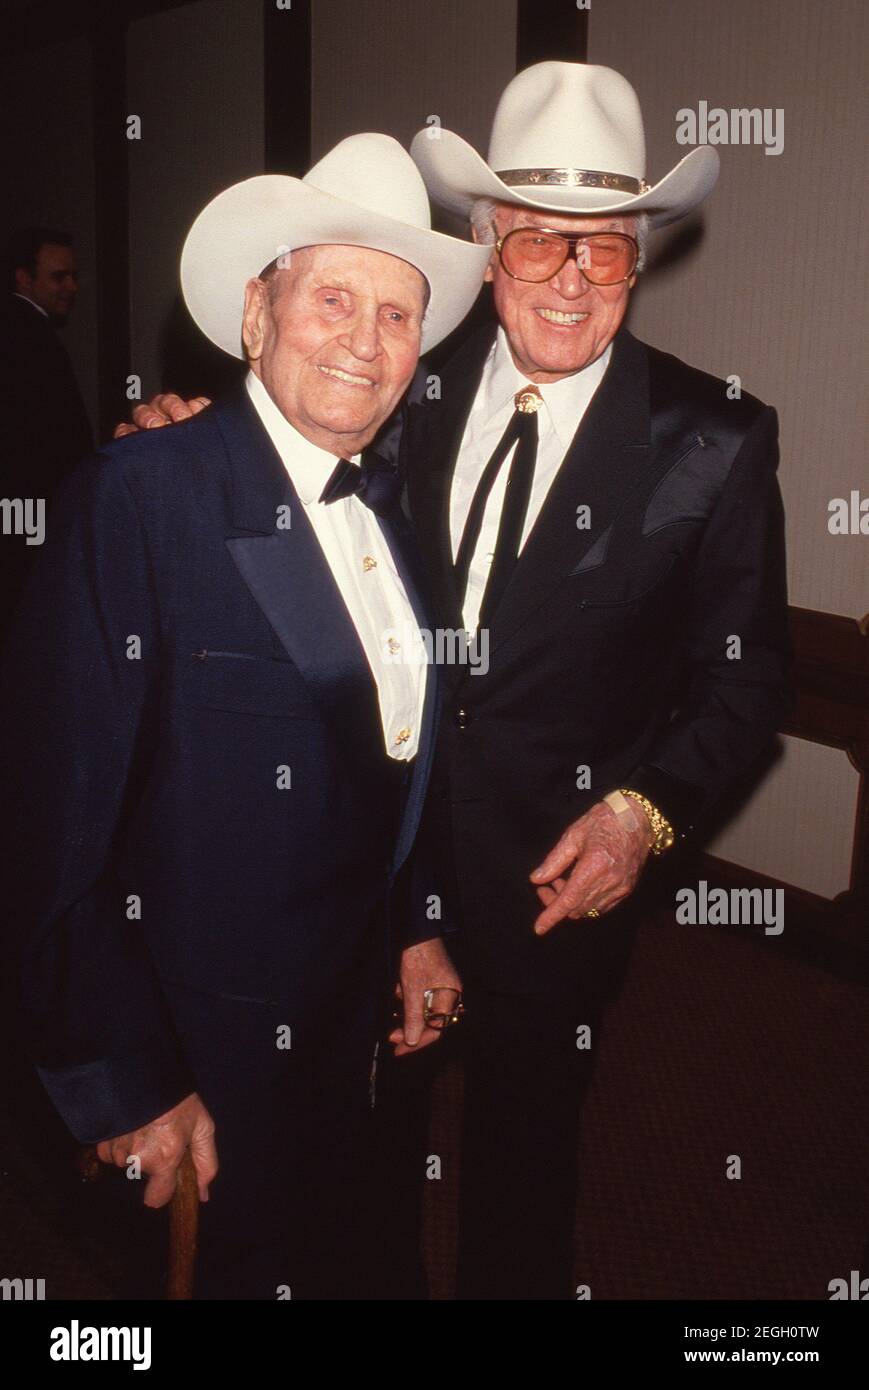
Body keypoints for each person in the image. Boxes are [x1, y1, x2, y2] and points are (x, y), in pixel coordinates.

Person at [117, 64, 791, 1301]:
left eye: (603, 248)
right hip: (378, 865)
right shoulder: (404, 380)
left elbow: (743, 684)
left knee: (525, 1171)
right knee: (362, 1145)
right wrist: (188, 444)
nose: (572, 278)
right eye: (540, 245)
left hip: (557, 884)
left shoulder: (716, 438)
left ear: (639, 259)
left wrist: (642, 816)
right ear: (487, 248)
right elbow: (293, 443)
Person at [0, 133, 489, 1300]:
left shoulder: (389, 509)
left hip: (358, 1051)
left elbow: (391, 765)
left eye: (396, 315)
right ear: (256, 313)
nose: (364, 345)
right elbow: (47, 818)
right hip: (203, 1070)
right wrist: (124, 1076)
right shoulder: (139, 496)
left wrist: (415, 922)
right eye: (333, 299)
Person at [0, 228, 93, 639]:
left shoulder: (22, 328)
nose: (71, 287)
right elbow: (50, 439)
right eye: (59, 277)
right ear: (24, 278)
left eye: (73, 276)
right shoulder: (28, 335)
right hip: (30, 504)